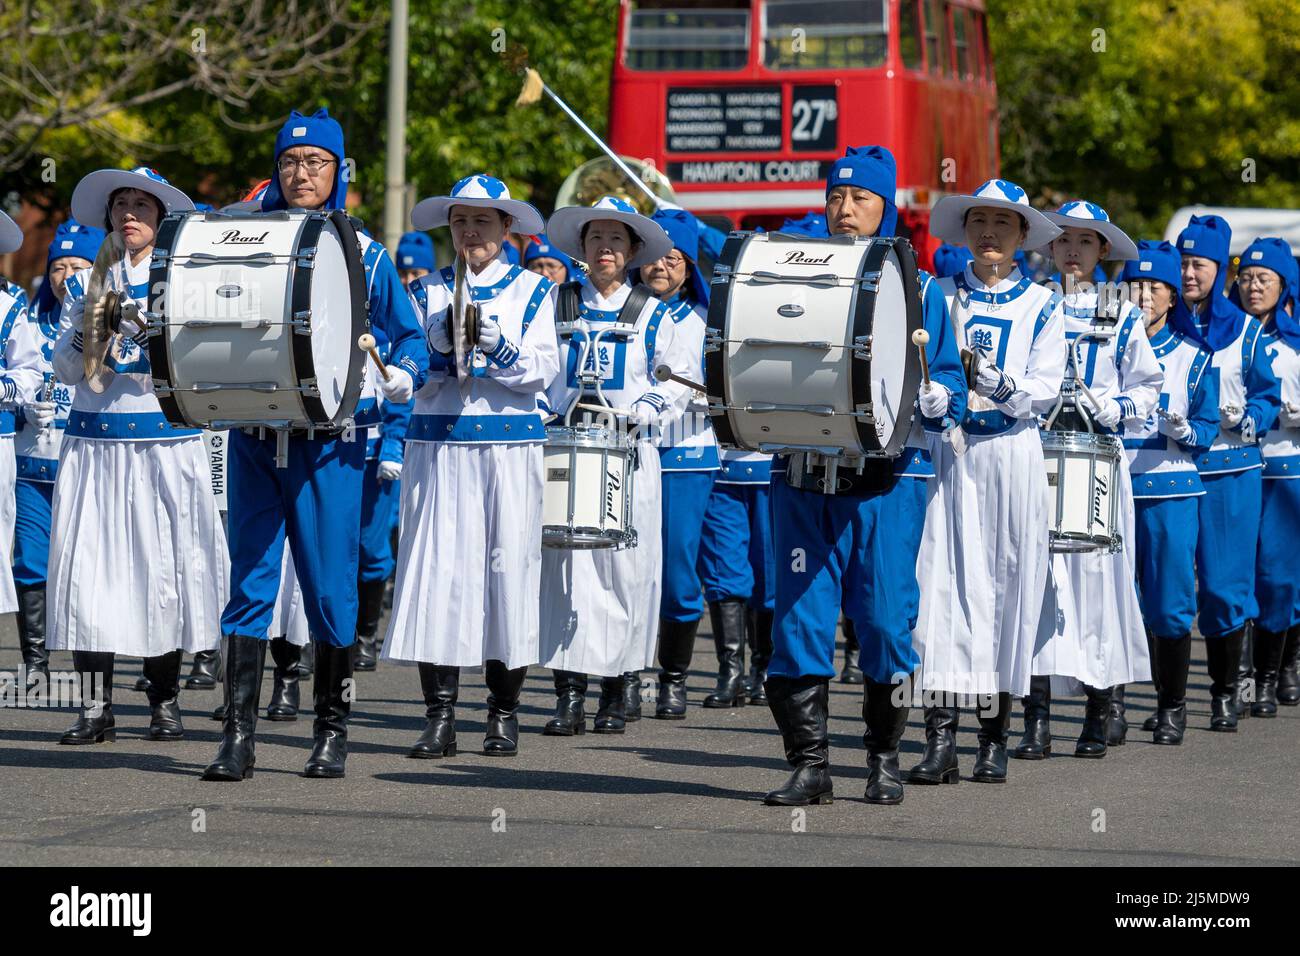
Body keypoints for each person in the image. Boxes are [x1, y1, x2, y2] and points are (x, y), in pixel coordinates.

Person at [203, 109, 428, 781]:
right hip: (255, 434)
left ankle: (331, 731)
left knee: (331, 593)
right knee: (248, 584)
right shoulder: (244, 239)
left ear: (338, 172)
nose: (302, 174)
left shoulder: (367, 252)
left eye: (316, 162)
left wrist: (404, 377)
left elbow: (408, 336)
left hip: (333, 443)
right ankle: (237, 738)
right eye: (291, 162)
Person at [761, 146, 967, 806]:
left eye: (860, 199)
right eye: (835, 197)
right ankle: (810, 763)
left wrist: (942, 401)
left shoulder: (922, 288)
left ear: (885, 209)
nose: (844, 209)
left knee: (883, 622)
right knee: (798, 620)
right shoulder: (791, 277)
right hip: (801, 472)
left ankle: (882, 758)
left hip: (888, 478)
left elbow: (952, 384)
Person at [382, 173, 558, 758]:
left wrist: (497, 347)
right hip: (437, 448)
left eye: (483, 221)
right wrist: (431, 350)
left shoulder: (535, 289)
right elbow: (406, 371)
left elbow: (544, 371)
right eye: (460, 221)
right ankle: (439, 715)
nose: (470, 232)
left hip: (509, 452)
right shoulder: (425, 289)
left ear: (507, 229)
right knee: (438, 574)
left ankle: (503, 713)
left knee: (507, 576)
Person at [48, 166, 226, 743]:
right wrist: (87, 326)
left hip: (162, 441)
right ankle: (94, 707)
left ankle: (164, 700)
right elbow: (67, 371)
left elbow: (201, 366)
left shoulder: (187, 281)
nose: (129, 214)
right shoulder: (85, 283)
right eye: (121, 204)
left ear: (160, 218)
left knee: (163, 571)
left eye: (141, 206)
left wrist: (149, 330)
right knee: (88, 573)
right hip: (95, 440)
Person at [910, 179, 1066, 786]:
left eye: (1003, 223)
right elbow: (917, 368)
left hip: (1009, 454)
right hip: (950, 454)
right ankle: (940, 740)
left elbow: (1045, 388)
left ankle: (995, 737)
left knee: (1005, 586)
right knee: (941, 586)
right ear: (965, 231)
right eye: (980, 222)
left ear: (1023, 235)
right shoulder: (939, 295)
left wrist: (999, 384)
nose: (990, 233)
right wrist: (930, 400)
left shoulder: (1044, 305)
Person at [537, 194, 687, 735]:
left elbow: (674, 381)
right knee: (563, 572)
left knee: (626, 574)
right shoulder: (555, 303)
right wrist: (545, 413)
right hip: (566, 450)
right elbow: (540, 373)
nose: (605, 247)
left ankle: (615, 692)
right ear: (583, 246)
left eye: (616, 239)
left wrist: (640, 414)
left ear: (631, 250)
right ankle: (567, 694)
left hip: (629, 456)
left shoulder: (655, 312)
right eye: (597, 237)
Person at [1017, 201, 1162, 759]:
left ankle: (1101, 712)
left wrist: (1114, 405)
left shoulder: (1121, 312)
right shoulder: (1032, 306)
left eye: (1085, 241)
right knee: (1037, 583)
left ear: (1103, 251)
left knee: (1099, 586)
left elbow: (1148, 387)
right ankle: (1036, 718)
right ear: (1049, 248)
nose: (1072, 250)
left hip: (1100, 459)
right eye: (1064, 240)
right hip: (1036, 457)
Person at [1173, 214, 1280, 732]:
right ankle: (1163, 703)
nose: (1189, 273)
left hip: (1230, 472)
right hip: (1171, 469)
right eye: (1184, 262)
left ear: (1221, 269)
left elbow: (1266, 397)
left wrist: (1251, 419)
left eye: (1200, 264)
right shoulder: (1163, 324)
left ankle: (1222, 692)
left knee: (1222, 587)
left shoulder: (1245, 331)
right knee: (1169, 588)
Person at [1116, 240, 1219, 744]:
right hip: (1112, 487)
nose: (1141, 296)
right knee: (1112, 598)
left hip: (1172, 490)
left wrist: (1184, 430)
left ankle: (1171, 707)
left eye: (1153, 287)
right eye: (1133, 285)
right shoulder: (1102, 349)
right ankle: (1109, 707)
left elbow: (1208, 428)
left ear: (1172, 297)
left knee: (1170, 602)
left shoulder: (1196, 357)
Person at [633, 207, 722, 719]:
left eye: (673, 258)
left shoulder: (704, 322)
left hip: (685, 457)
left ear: (689, 264)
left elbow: (721, 389)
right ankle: (627, 676)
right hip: (630, 454)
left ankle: (673, 678)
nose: (661, 267)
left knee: (675, 569)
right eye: (653, 258)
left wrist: (691, 393)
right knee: (628, 565)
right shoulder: (627, 311)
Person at [11, 219, 102, 692]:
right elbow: (20, 376)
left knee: (84, 565)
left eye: (78, 266)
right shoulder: (29, 319)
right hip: (32, 464)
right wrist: (25, 407)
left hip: (83, 465)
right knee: (30, 560)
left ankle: (94, 669)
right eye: (58, 267)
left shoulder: (102, 322)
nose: (66, 275)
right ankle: (36, 662)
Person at [1229, 237, 1300, 716]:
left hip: (1286, 469)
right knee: (1238, 575)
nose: (1254, 287)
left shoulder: (1295, 344)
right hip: (1237, 467)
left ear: (1283, 285)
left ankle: (1277, 671)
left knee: (1280, 578)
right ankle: (1244, 675)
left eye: (1265, 279)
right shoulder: (1225, 336)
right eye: (1248, 277)